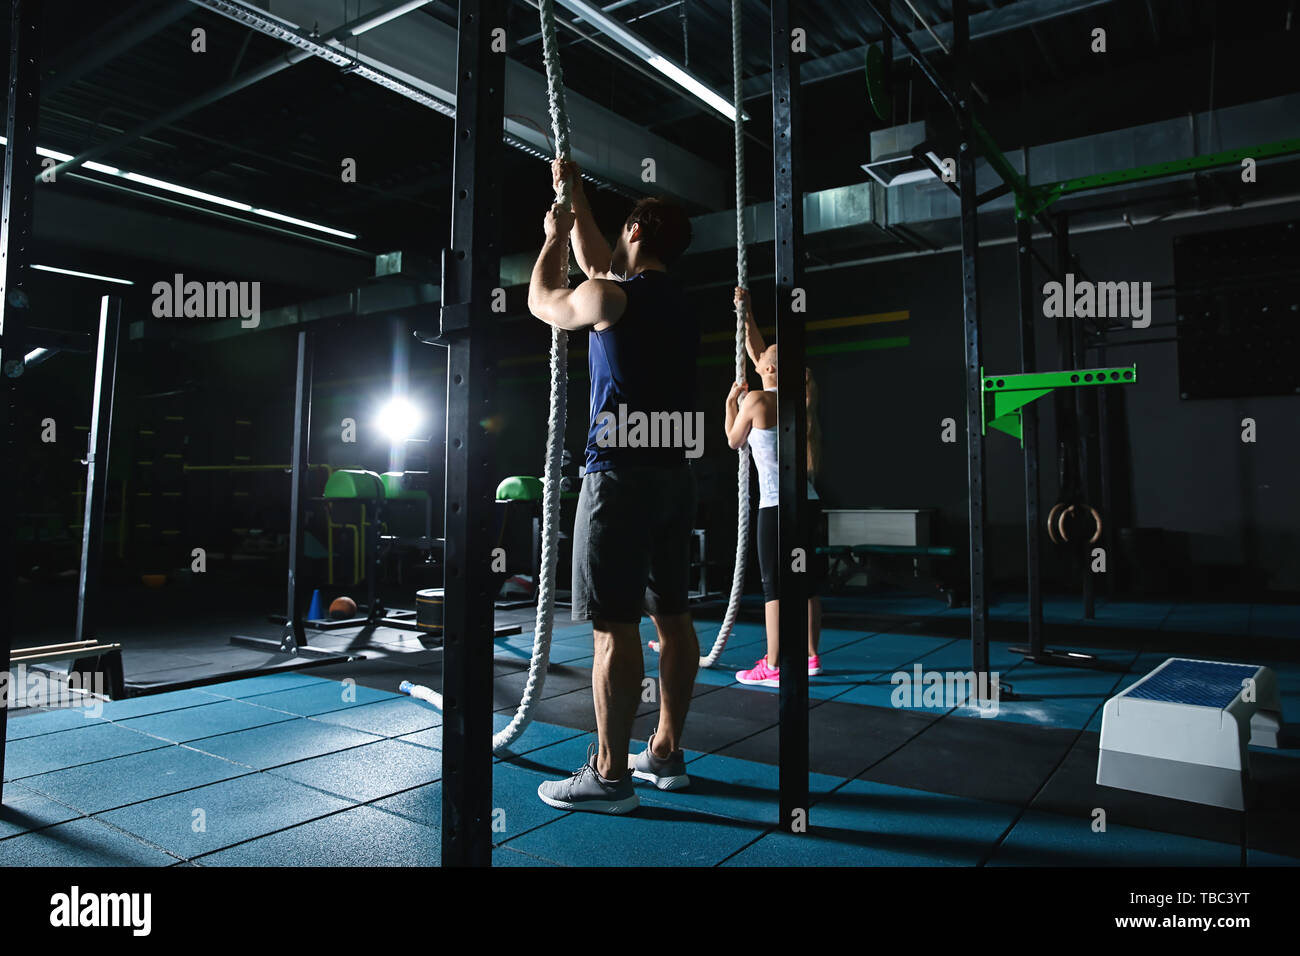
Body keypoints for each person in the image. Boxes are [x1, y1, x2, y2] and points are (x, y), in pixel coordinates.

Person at [529, 159, 700, 814]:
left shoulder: (611, 298)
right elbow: (603, 269)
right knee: (673, 619)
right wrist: (574, 198)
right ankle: (664, 753)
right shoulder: (677, 303)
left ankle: (608, 774)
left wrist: (553, 233)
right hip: (673, 478)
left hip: (620, 480)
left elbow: (546, 302)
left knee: (614, 627)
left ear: (635, 232)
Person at [724, 287, 825, 687]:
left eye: (766, 355)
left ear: (768, 369)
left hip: (774, 508)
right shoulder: (799, 402)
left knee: (775, 587)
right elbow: (756, 349)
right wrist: (745, 312)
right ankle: (813, 657)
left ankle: (775, 662)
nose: (760, 354)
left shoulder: (755, 403)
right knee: (807, 582)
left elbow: (733, 440)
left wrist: (730, 404)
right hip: (807, 503)